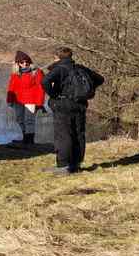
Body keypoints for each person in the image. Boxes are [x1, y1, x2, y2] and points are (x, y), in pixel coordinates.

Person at [41, 47, 104, 175]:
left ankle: (63, 166)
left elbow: (44, 81)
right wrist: (85, 92)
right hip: (80, 105)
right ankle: (76, 164)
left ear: (57, 57)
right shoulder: (81, 68)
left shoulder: (59, 68)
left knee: (63, 134)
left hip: (63, 104)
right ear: (71, 57)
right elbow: (100, 79)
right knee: (78, 133)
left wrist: (54, 94)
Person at [6, 51, 46, 146]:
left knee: (29, 120)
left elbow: (41, 88)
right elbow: (11, 87)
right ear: (18, 63)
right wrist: (9, 100)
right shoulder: (15, 73)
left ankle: (30, 141)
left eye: (26, 61)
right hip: (18, 100)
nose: (25, 64)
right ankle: (25, 138)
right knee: (19, 119)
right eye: (22, 62)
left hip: (31, 100)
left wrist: (39, 103)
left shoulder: (36, 72)